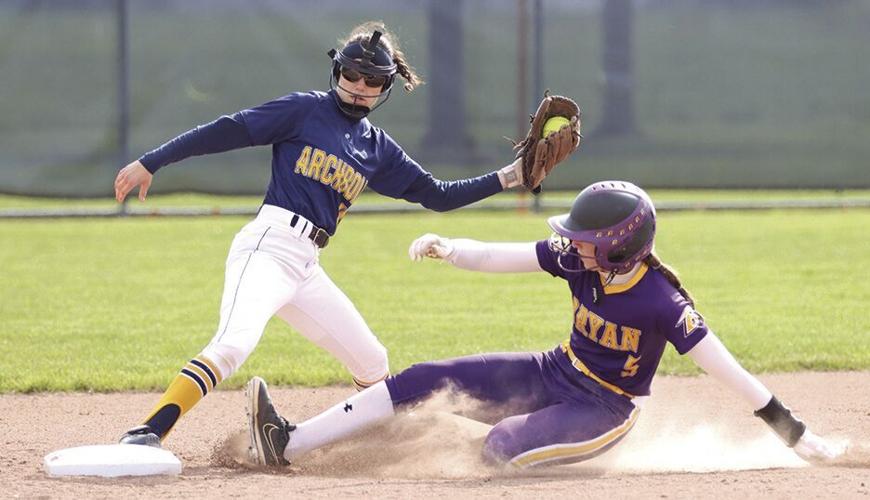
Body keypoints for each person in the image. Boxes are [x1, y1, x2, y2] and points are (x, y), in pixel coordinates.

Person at [113, 21, 533, 447]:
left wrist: (511, 175)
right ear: (337, 72)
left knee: (373, 362)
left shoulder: (377, 148)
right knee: (233, 344)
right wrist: (152, 161)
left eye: (372, 80)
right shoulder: (305, 110)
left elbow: (437, 195)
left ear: (386, 87)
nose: (359, 85)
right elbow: (227, 129)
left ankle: (376, 444)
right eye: (351, 73)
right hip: (269, 247)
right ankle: (149, 430)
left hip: (308, 265)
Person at [246, 180, 841, 468]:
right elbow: (503, 255)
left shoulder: (661, 300)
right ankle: (288, 442)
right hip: (554, 371)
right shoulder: (581, 263)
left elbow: (727, 369)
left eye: (583, 241)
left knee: (502, 448)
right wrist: (449, 246)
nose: (570, 246)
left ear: (616, 249)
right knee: (421, 379)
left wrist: (790, 430)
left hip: (605, 409)